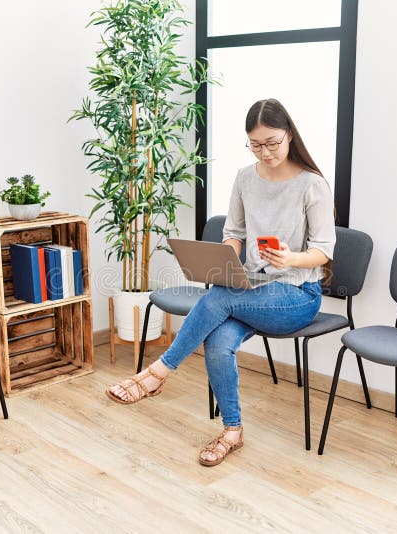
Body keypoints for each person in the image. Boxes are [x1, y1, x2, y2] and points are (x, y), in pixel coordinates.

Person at [106, 98, 336, 466]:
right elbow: (234, 234)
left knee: (221, 296)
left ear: (289, 135)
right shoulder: (246, 178)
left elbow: (323, 251)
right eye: (256, 145)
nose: (265, 152)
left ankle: (158, 373)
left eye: (272, 143)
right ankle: (232, 431)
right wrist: (226, 257)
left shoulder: (312, 185)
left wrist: (291, 258)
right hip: (251, 287)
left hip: (296, 294)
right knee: (218, 340)